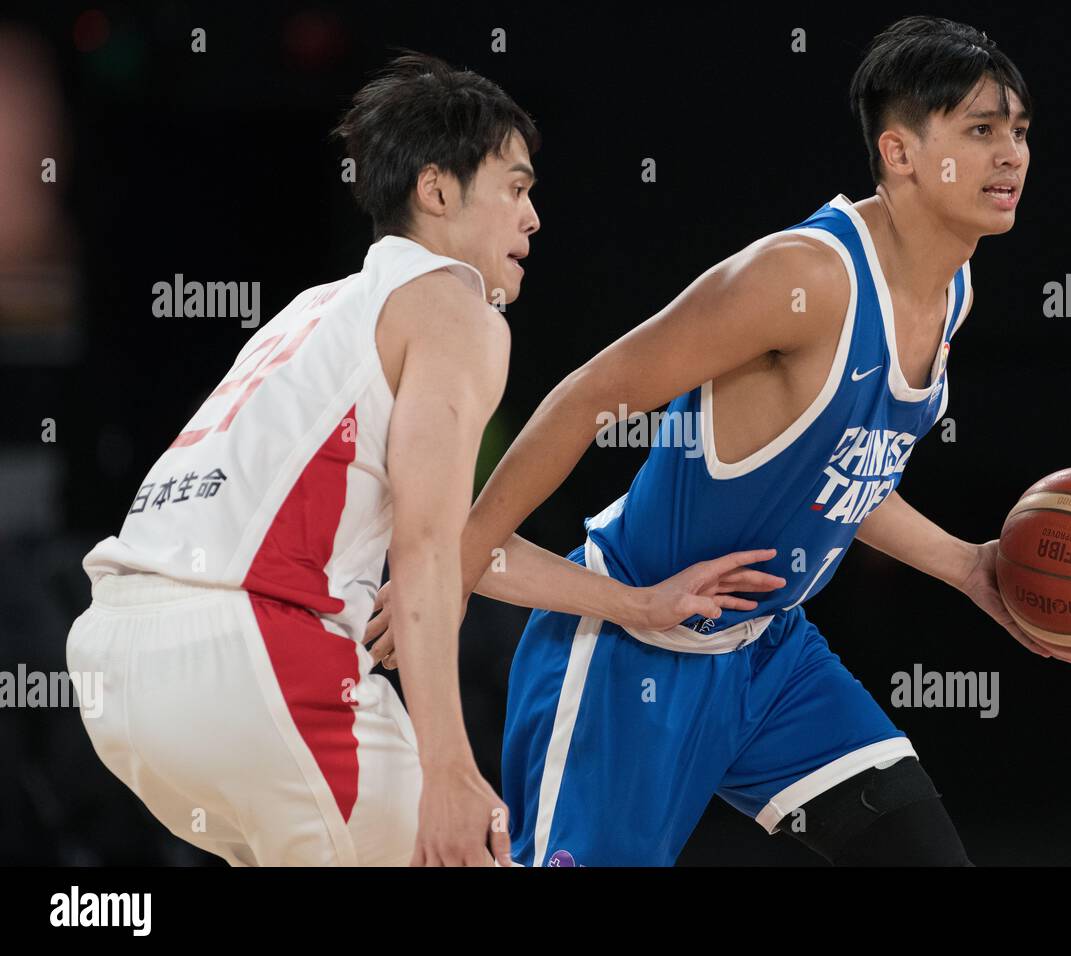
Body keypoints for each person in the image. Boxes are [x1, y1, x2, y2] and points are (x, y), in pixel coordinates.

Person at [65, 53, 780, 867]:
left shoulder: (314, 311)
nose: (534, 217)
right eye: (516, 187)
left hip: (118, 666)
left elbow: (460, 541)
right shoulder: (454, 305)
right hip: (251, 649)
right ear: (437, 191)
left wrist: (631, 603)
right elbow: (430, 550)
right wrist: (447, 765)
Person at [373, 17, 1049, 866]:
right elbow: (590, 398)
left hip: (769, 657)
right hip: (629, 651)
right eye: (982, 131)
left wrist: (967, 565)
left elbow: (838, 476)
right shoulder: (801, 278)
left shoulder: (951, 291)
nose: (1012, 154)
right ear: (901, 152)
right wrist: (455, 568)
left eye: (1019, 132)